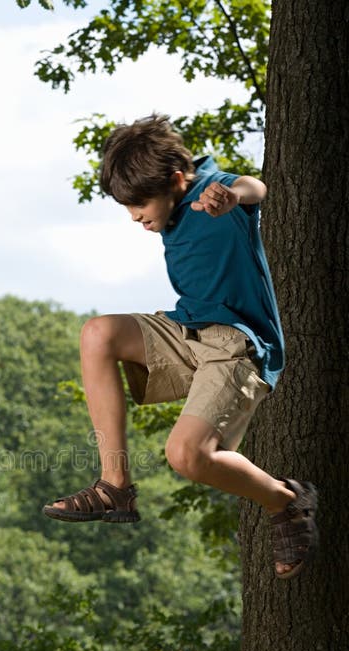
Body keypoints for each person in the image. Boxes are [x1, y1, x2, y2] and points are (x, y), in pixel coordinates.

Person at [42, 114, 318, 580]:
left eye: (140, 206)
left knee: (186, 456)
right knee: (97, 333)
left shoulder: (215, 190)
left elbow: (256, 187)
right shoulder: (167, 206)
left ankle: (288, 501)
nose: (136, 218)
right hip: (187, 330)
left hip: (237, 346)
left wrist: (231, 196)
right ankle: (115, 485)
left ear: (175, 179)